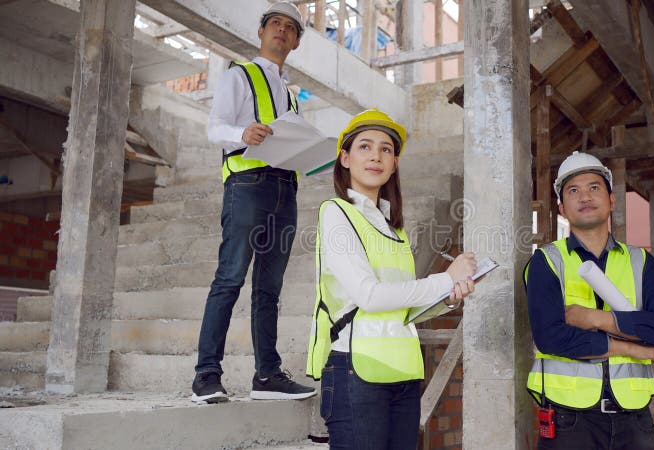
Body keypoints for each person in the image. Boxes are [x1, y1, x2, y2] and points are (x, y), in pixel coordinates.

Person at [306, 109, 477, 449]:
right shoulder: (336, 212)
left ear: (394, 164)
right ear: (345, 159)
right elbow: (368, 296)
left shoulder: (393, 228)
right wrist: (444, 279)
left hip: (403, 372)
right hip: (356, 371)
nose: (376, 156)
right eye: (365, 146)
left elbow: (403, 308)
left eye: (386, 149)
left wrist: (447, 298)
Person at [191, 1, 315, 403]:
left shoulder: (292, 97)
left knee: (269, 289)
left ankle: (268, 376)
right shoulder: (238, 76)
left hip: (285, 190)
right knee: (230, 278)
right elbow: (215, 128)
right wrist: (242, 134)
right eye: (275, 23)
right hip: (248, 184)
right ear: (261, 32)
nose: (282, 30)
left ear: (296, 42)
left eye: (290, 28)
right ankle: (206, 376)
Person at [524, 151, 654, 449]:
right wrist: (630, 347)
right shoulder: (547, 262)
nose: (584, 196)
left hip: (634, 419)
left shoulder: (640, 262)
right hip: (568, 420)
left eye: (594, 187)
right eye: (573, 190)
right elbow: (551, 338)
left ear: (611, 200)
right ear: (562, 208)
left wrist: (597, 318)